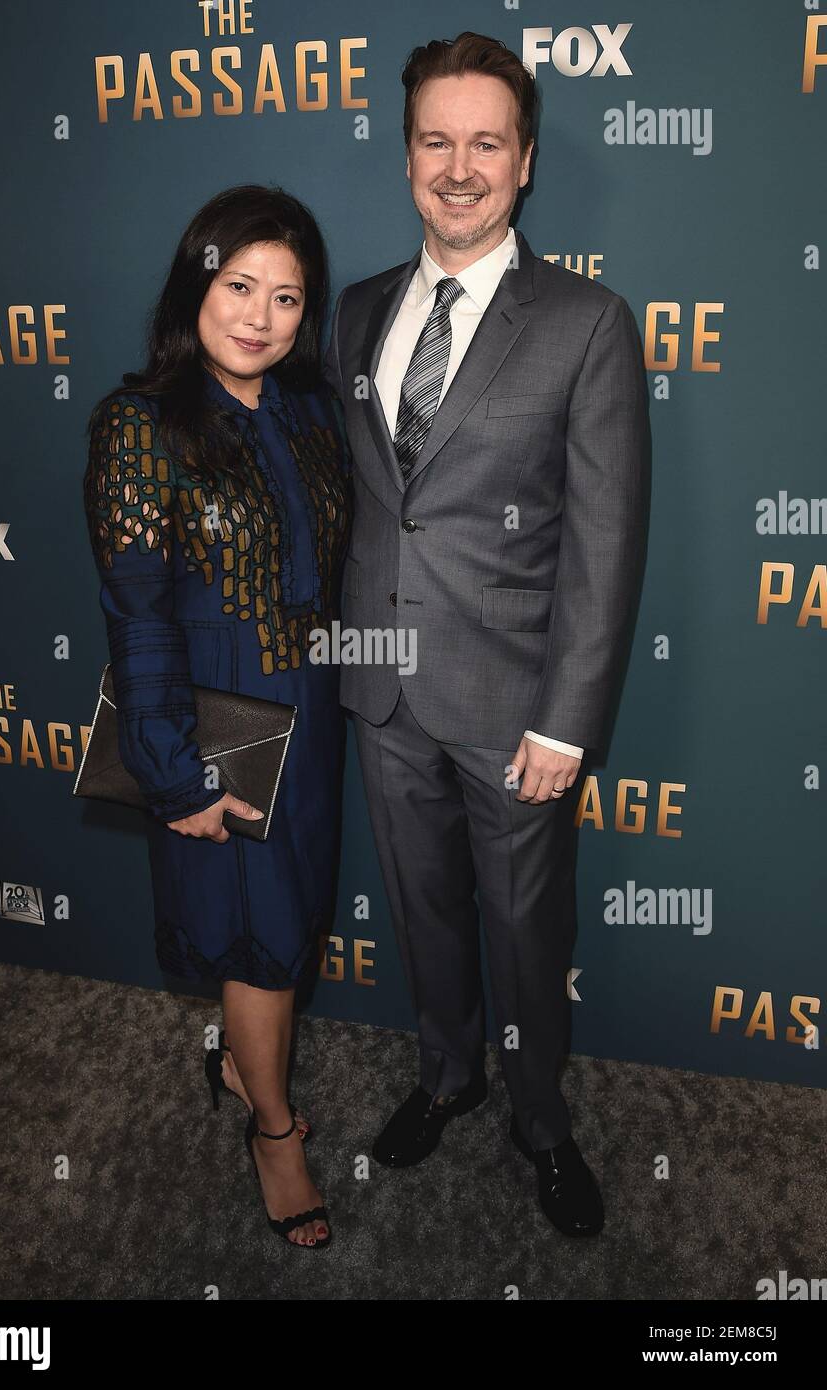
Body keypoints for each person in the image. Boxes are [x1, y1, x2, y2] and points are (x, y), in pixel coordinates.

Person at [324, 32, 650, 1237]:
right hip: (383, 692)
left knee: (525, 932)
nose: (456, 168)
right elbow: (361, 503)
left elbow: (605, 545)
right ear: (405, 152)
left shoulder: (586, 322)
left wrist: (568, 720)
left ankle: (540, 1120)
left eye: (484, 144)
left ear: (523, 163)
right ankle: (447, 1074)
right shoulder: (355, 313)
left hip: (517, 706)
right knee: (423, 912)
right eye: (434, 141)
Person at [83, 185, 352, 1249]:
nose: (260, 317)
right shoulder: (139, 426)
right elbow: (137, 616)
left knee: (292, 920)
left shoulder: (309, 410)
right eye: (239, 285)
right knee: (259, 941)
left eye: (287, 298)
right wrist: (171, 767)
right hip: (215, 717)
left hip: (313, 707)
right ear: (196, 283)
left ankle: (244, 1064)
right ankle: (274, 1130)